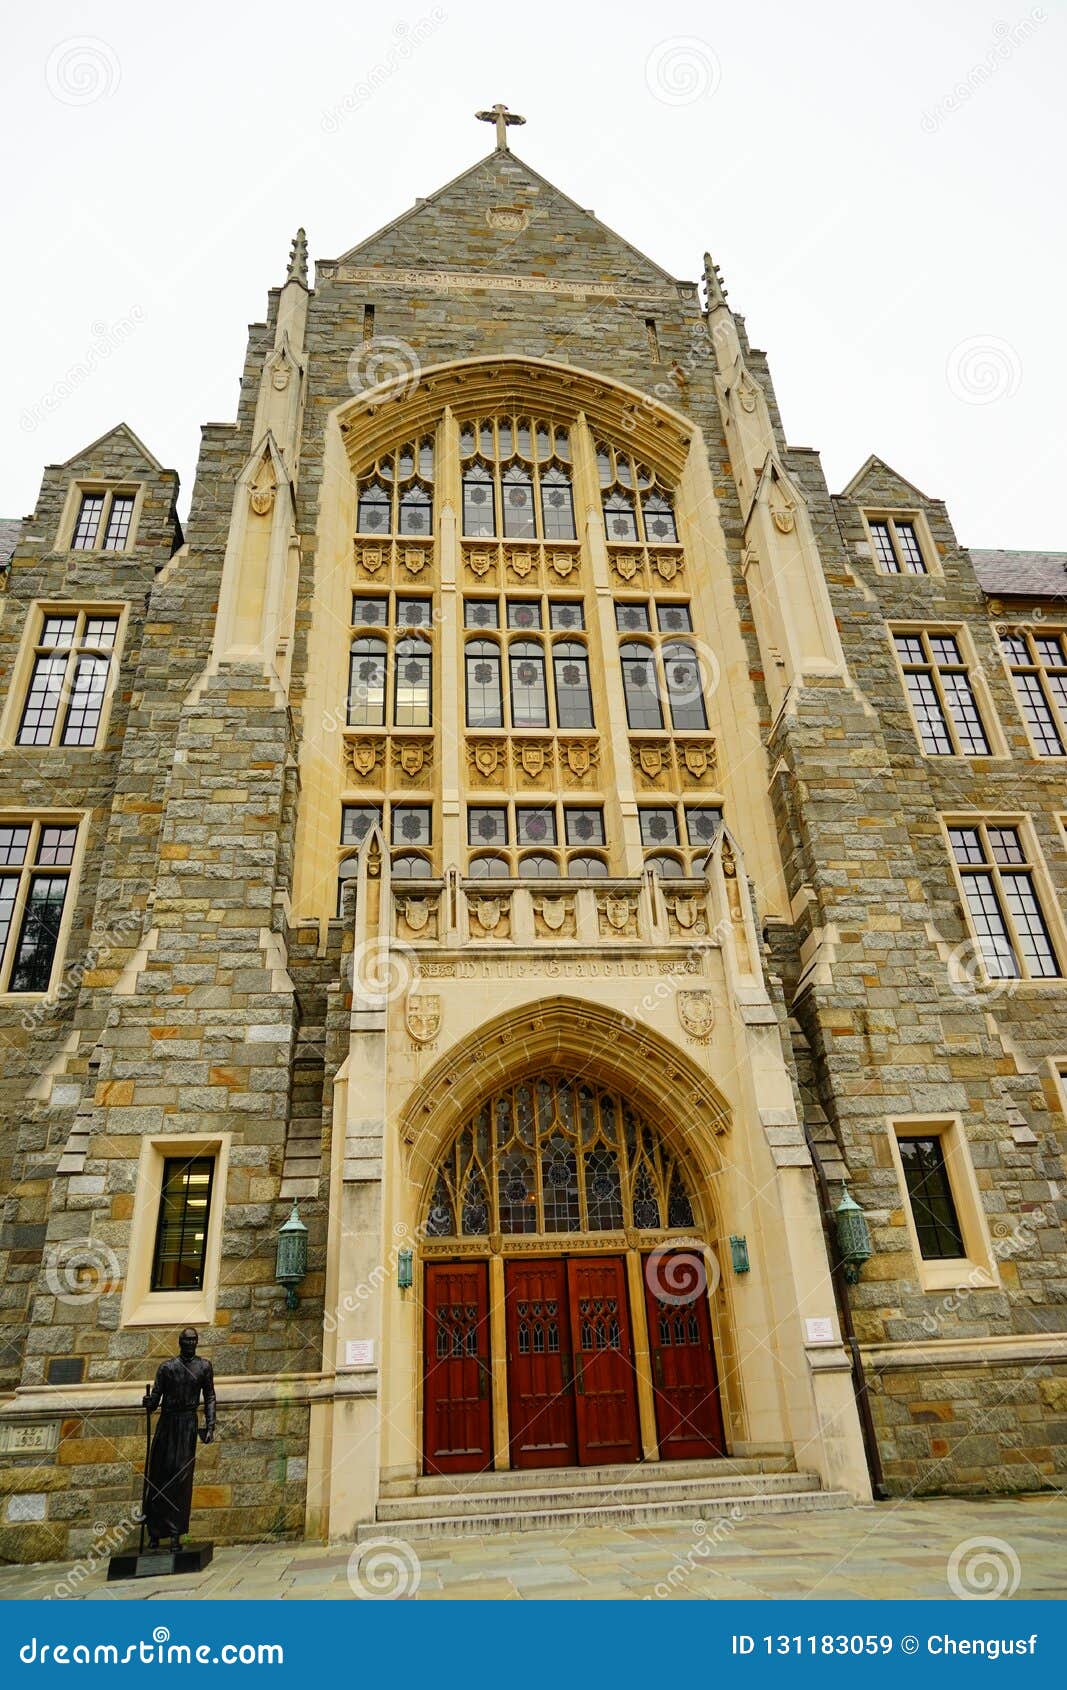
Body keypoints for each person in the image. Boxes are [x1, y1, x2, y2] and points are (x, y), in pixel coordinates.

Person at [141, 1327, 216, 1549]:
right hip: (167, 1423)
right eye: (187, 1340)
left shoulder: (203, 1367)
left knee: (181, 1479)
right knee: (159, 1476)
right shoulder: (167, 1368)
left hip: (187, 1425)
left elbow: (210, 1396)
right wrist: (148, 1402)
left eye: (194, 1340)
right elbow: (155, 1400)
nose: (190, 1343)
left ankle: (175, 1532)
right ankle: (154, 1532)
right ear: (180, 1342)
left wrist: (210, 1425)